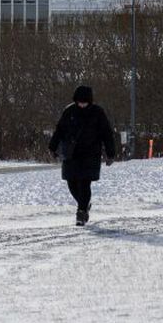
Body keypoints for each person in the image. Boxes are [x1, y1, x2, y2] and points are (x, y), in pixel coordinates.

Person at [48, 85, 117, 226]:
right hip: (71, 153)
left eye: (85, 102)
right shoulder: (69, 111)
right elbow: (59, 130)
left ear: (90, 101)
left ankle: (81, 213)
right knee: (71, 182)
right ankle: (84, 205)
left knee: (84, 183)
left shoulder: (98, 113)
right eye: (80, 102)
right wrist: (52, 147)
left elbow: (107, 134)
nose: (82, 104)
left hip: (90, 154)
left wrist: (110, 153)